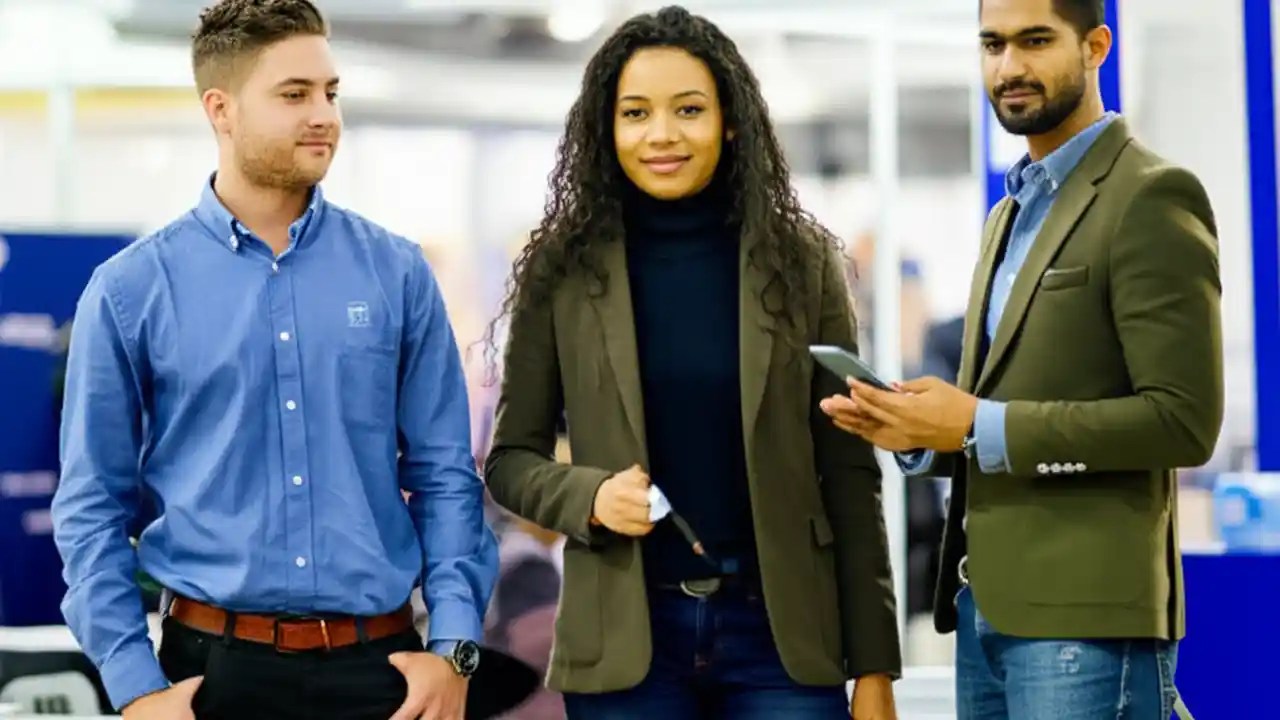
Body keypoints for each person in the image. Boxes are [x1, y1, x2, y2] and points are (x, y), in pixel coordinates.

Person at [50, 2, 498, 719]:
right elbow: (91, 504)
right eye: (294, 95)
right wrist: (135, 687)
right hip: (209, 678)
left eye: (330, 92)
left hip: (381, 674)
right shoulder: (132, 290)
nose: (323, 115)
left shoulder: (397, 273)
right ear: (220, 109)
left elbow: (445, 476)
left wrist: (454, 649)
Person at [482, 6, 901, 719]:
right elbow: (510, 461)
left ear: (730, 121)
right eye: (635, 113)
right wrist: (588, 496)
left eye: (689, 110)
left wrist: (874, 667)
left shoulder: (801, 266)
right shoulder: (564, 270)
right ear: (607, 128)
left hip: (781, 639)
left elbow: (849, 474)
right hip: (626, 638)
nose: (662, 134)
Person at [820, 0, 1222, 718]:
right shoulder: (1007, 215)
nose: (1009, 66)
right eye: (993, 44)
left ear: (1095, 46)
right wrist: (920, 431)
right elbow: (996, 411)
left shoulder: (1150, 195)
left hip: (1087, 621)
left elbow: (1181, 422)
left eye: (1035, 41)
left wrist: (976, 425)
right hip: (985, 608)